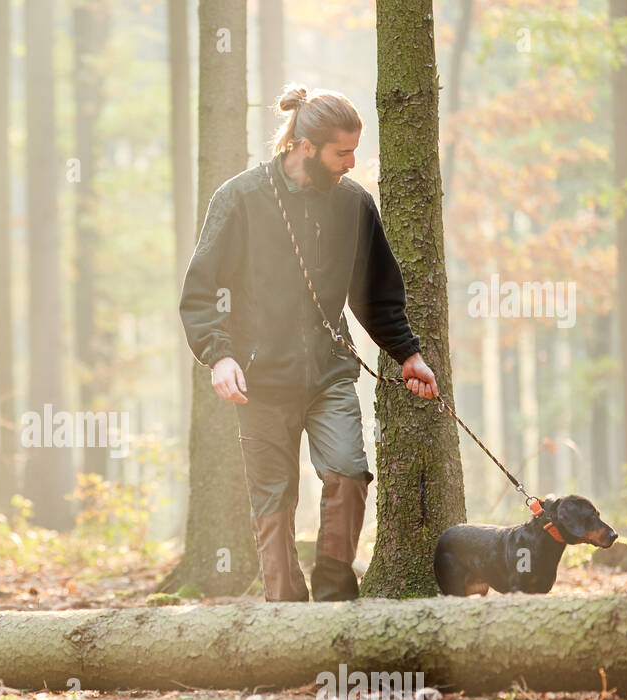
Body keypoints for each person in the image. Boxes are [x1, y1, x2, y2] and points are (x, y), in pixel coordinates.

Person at [178, 84, 438, 602]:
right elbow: (201, 292)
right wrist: (220, 354)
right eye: (343, 152)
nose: (352, 162)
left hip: (329, 373)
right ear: (304, 146)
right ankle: (285, 614)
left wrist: (408, 354)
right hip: (260, 380)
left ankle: (336, 598)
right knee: (273, 502)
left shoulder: (354, 204)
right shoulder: (239, 199)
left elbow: (377, 296)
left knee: (347, 473)